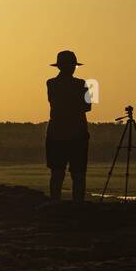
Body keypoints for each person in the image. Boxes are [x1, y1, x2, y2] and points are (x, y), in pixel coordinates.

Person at [45, 50, 91, 203]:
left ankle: (56, 203)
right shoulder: (81, 84)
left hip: (57, 132)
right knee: (77, 173)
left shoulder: (52, 83)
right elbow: (88, 106)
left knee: (58, 172)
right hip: (76, 133)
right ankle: (77, 205)